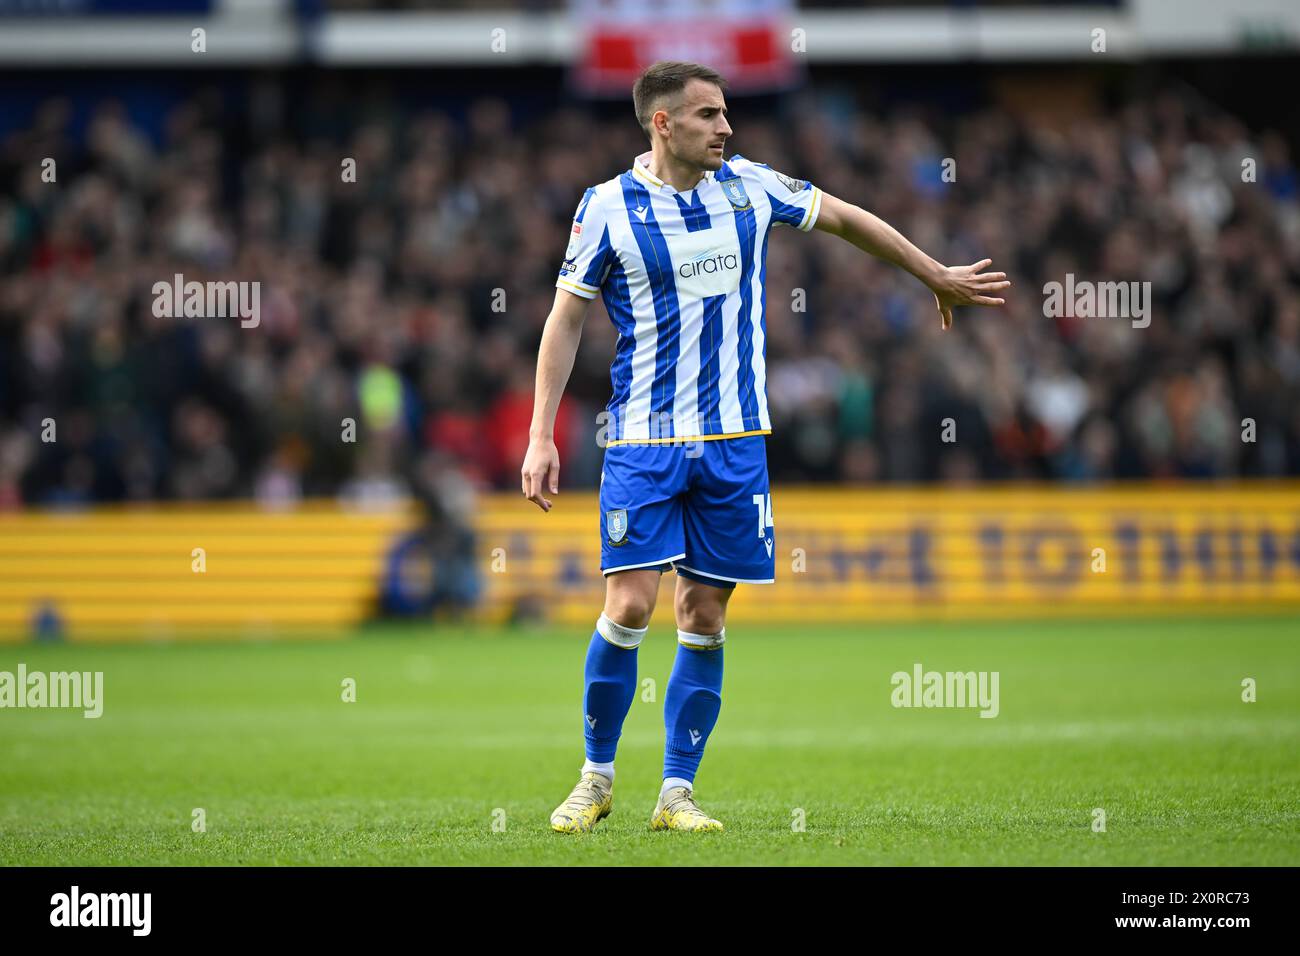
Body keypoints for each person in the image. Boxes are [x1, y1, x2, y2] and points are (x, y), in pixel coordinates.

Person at [521, 60, 1010, 833]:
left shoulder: (751, 185)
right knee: (628, 603)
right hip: (643, 438)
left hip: (735, 440)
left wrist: (932, 275)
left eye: (725, 113)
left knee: (705, 614)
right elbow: (565, 319)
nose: (726, 127)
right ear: (663, 124)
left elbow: (847, 218)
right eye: (709, 115)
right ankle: (595, 777)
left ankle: (676, 794)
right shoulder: (608, 207)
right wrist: (541, 433)